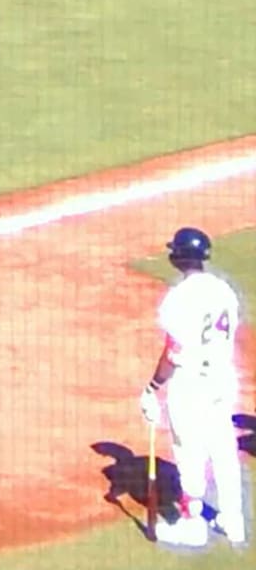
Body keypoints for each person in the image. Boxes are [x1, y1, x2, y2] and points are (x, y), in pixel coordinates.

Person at [139, 227, 246, 547]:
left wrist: (152, 387)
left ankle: (192, 524)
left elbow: (173, 352)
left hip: (191, 384)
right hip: (223, 380)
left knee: (190, 454)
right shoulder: (223, 290)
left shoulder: (179, 299)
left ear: (179, 257)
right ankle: (233, 520)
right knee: (224, 449)